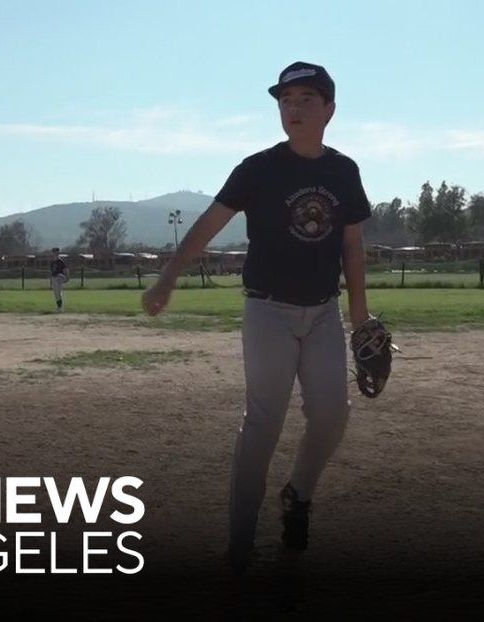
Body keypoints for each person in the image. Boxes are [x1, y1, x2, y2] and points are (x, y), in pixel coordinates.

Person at [140, 61, 377, 573]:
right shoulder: (258, 169)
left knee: (333, 416)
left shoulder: (343, 171)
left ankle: (298, 494)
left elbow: (352, 246)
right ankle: (240, 544)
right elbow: (209, 224)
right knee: (264, 423)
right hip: (268, 309)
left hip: (323, 312)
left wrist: (360, 317)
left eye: (306, 98)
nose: (294, 108)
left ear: (329, 110)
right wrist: (169, 275)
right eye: (286, 100)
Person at [49, 247, 69, 312]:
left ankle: (60, 307)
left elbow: (65, 269)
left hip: (59, 277)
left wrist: (67, 277)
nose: (54, 253)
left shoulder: (60, 261)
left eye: (56, 252)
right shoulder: (52, 262)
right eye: (53, 252)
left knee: (58, 292)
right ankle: (58, 306)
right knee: (55, 293)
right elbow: (51, 272)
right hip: (54, 277)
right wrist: (51, 280)